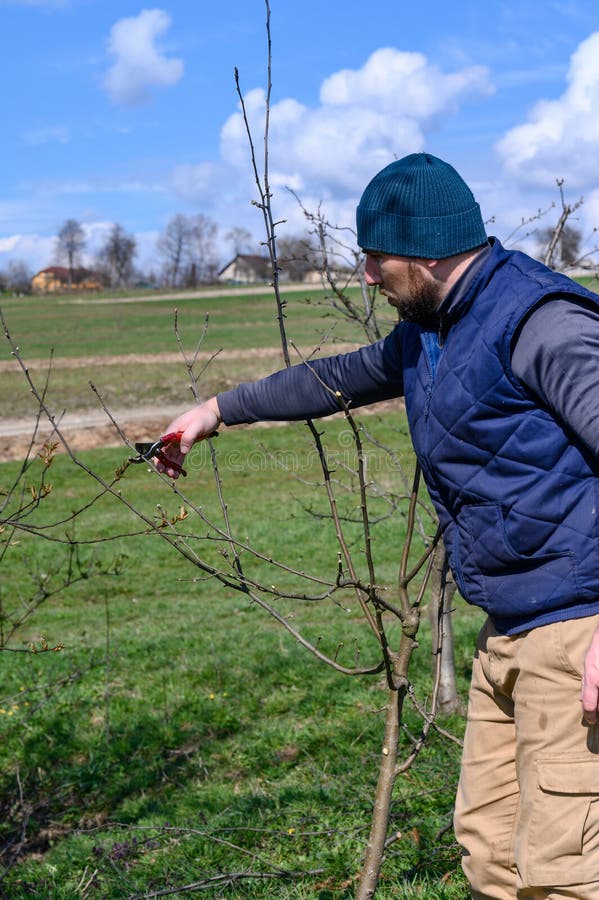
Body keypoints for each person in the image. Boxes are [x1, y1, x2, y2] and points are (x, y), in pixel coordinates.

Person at [156, 153, 599, 899]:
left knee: (565, 874)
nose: (365, 275)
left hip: (578, 630)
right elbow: (334, 378)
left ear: (423, 250)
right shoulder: (431, 330)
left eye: (373, 258)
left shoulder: (541, 322)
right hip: (507, 630)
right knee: (491, 854)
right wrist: (215, 412)